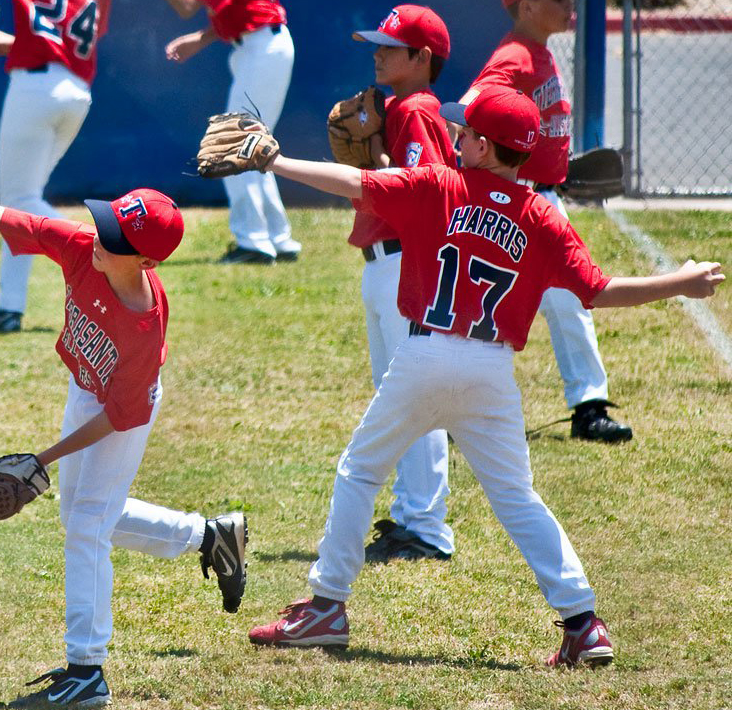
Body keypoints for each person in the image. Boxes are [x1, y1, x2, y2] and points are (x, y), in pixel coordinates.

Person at [240, 86, 723, 664]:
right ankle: (583, 622)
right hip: (491, 371)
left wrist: (274, 161)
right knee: (517, 498)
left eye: (466, 133)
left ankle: (325, 605)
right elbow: (599, 291)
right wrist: (682, 281)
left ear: (486, 146)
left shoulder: (439, 184)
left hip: (424, 358)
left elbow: (354, 183)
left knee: (361, 471)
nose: (456, 137)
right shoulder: (541, 214)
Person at [0, 189, 248, 707]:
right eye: (106, 224)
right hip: (87, 389)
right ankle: (210, 536)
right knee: (81, 515)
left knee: (88, 526)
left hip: (121, 410)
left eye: (114, 240)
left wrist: (42, 459)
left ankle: (86, 671)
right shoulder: (81, 245)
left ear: (147, 261)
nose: (100, 239)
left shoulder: (142, 326)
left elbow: (119, 417)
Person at [458, 0, 632, 442]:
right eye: (559, 0)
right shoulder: (512, 57)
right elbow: (466, 111)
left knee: (571, 299)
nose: (570, 6)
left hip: (542, 198)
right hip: (519, 204)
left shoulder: (539, 50)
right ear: (529, 5)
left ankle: (589, 407)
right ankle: (453, 413)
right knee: (484, 311)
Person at [343, 5, 457, 563]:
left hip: (403, 263)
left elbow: (425, 188)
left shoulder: (413, 110)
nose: (377, 53)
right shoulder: (405, 108)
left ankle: (427, 527)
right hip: (385, 262)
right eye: (378, 44)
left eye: (390, 47)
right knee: (400, 394)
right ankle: (415, 515)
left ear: (421, 58)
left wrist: (376, 166)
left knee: (414, 394)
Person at [0, 0, 112, 333]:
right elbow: (65, 37)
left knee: (20, 202)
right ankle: (9, 308)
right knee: (22, 202)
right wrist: (15, 44)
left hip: (34, 90)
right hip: (76, 93)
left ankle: (104, 248)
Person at [162, 0, 301, 264]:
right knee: (254, 146)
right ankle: (277, 238)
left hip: (262, 47)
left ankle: (254, 243)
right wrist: (200, 39)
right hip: (259, 45)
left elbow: (187, 7)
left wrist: (199, 38)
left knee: (234, 145)